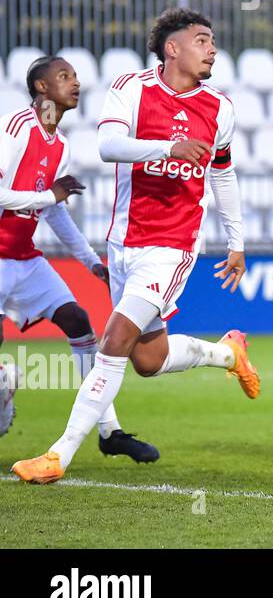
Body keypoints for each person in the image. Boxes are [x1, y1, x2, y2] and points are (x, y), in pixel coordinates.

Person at [11, 10, 259, 485]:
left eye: (212, 41)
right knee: (148, 360)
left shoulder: (220, 108)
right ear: (173, 48)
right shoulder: (132, 87)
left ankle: (58, 456)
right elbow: (108, 146)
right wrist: (167, 148)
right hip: (123, 242)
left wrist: (237, 242)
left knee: (115, 339)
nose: (212, 48)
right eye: (202, 40)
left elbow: (222, 173)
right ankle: (229, 355)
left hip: (172, 245)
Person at [0, 56, 158, 462]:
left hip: (24, 258)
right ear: (40, 87)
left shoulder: (61, 146)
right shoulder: (16, 128)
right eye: (64, 76)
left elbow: (53, 212)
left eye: (75, 76)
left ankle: (110, 431)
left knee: (79, 321)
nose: (76, 83)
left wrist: (91, 262)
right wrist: (48, 196)